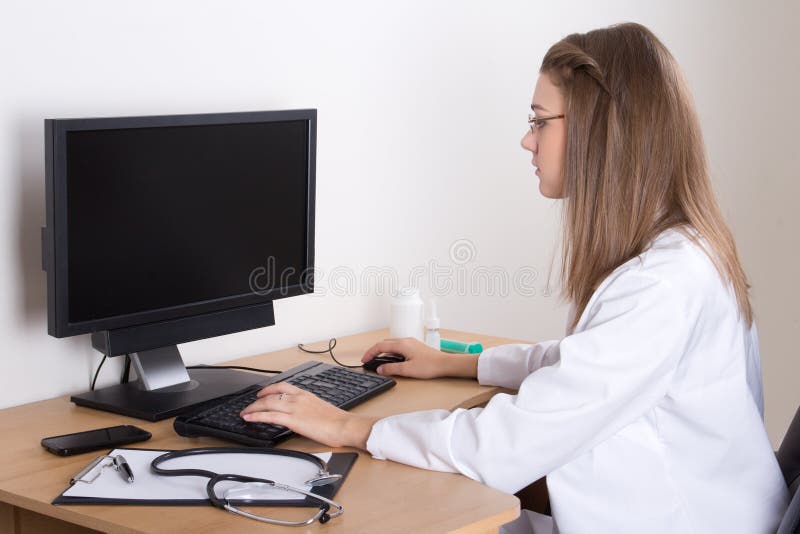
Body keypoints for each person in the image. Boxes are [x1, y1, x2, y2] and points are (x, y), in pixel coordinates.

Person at [241, 22, 789, 533]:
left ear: (602, 131)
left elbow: (504, 446)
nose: (528, 141)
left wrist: (348, 428)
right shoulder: (683, 252)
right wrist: (459, 363)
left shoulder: (663, 285)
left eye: (539, 120)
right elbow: (586, 367)